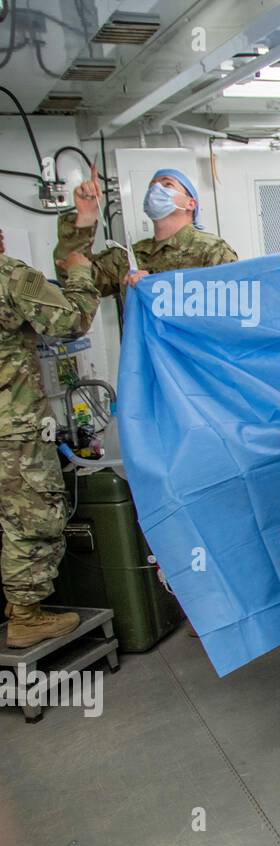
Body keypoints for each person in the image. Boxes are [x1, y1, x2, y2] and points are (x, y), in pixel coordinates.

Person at [1, 240, 100, 647]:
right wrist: (78, 271)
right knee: (32, 519)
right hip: (13, 428)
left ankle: (13, 605)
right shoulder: (10, 275)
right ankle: (26, 615)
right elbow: (70, 322)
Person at [54, 164, 237, 292]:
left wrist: (158, 289)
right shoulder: (129, 257)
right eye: (152, 186)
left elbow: (233, 307)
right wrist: (85, 217)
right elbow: (73, 276)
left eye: (167, 184)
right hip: (143, 348)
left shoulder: (211, 250)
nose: (156, 189)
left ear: (190, 203)